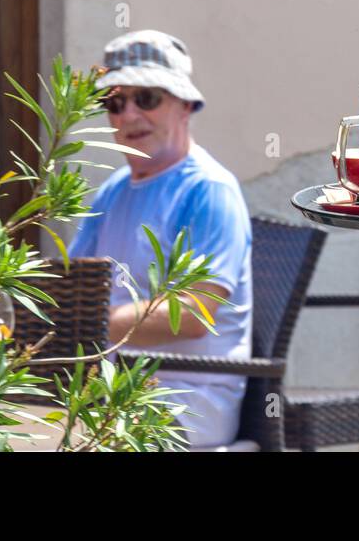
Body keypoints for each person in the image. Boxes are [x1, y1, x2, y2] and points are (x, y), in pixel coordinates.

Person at [69, 30, 253, 449]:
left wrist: (83, 327)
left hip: (188, 398)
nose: (128, 115)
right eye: (114, 102)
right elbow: (73, 288)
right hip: (113, 389)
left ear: (185, 104)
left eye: (146, 98)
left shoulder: (209, 189)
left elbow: (193, 312)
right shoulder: (113, 189)